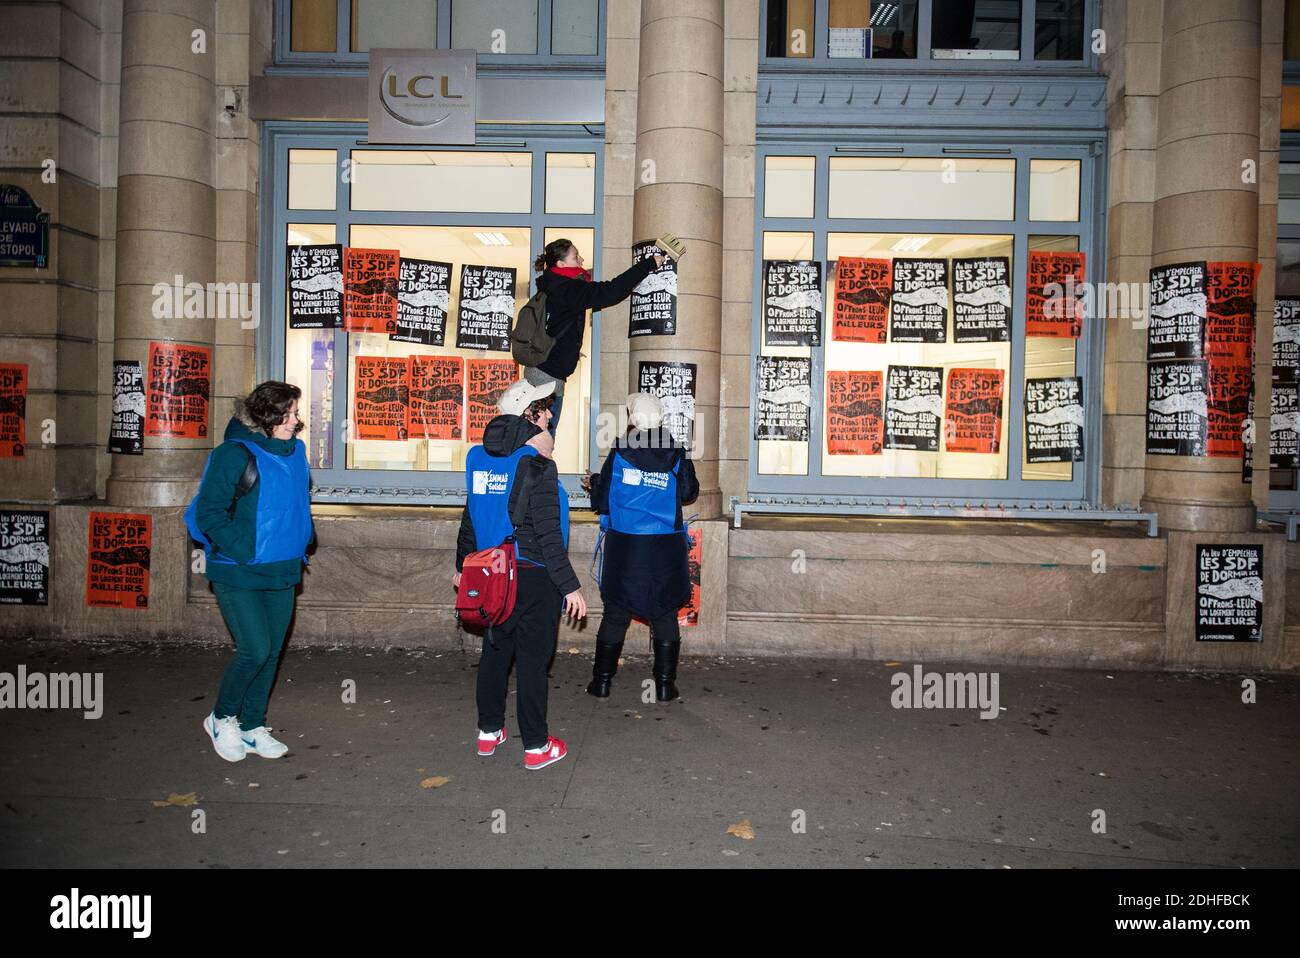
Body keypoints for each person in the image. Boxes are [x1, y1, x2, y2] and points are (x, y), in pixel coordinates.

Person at [455, 379, 588, 770]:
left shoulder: (478, 458)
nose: (549, 414)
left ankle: (488, 731)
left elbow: (468, 519)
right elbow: (549, 533)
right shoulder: (537, 467)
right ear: (530, 414)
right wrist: (570, 586)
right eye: (544, 408)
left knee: (496, 650)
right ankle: (535, 745)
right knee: (532, 660)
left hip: (489, 575)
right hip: (531, 576)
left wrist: (462, 568)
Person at [188, 382, 314, 763]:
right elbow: (209, 512)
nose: (296, 420)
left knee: (272, 651)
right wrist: (243, 549)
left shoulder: (297, 452)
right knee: (254, 648)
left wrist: (300, 543)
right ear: (266, 416)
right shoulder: (233, 454)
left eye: (295, 412)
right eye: (288, 413)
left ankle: (252, 725)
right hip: (239, 572)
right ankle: (222, 717)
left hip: (283, 568)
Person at [583, 393, 698, 701]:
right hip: (664, 545)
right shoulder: (676, 450)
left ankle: (602, 682)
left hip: (626, 545)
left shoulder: (620, 449)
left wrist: (595, 483)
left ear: (633, 419)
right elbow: (688, 492)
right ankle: (664, 685)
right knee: (664, 613)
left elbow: (603, 498)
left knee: (616, 613)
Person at [525, 238, 666, 438]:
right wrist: (649, 264)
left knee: (536, 434)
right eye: (576, 256)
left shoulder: (553, 285)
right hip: (547, 378)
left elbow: (555, 325)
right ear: (561, 264)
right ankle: (536, 469)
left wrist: (569, 350)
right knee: (542, 437)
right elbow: (611, 291)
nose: (581, 260)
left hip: (541, 372)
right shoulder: (568, 288)